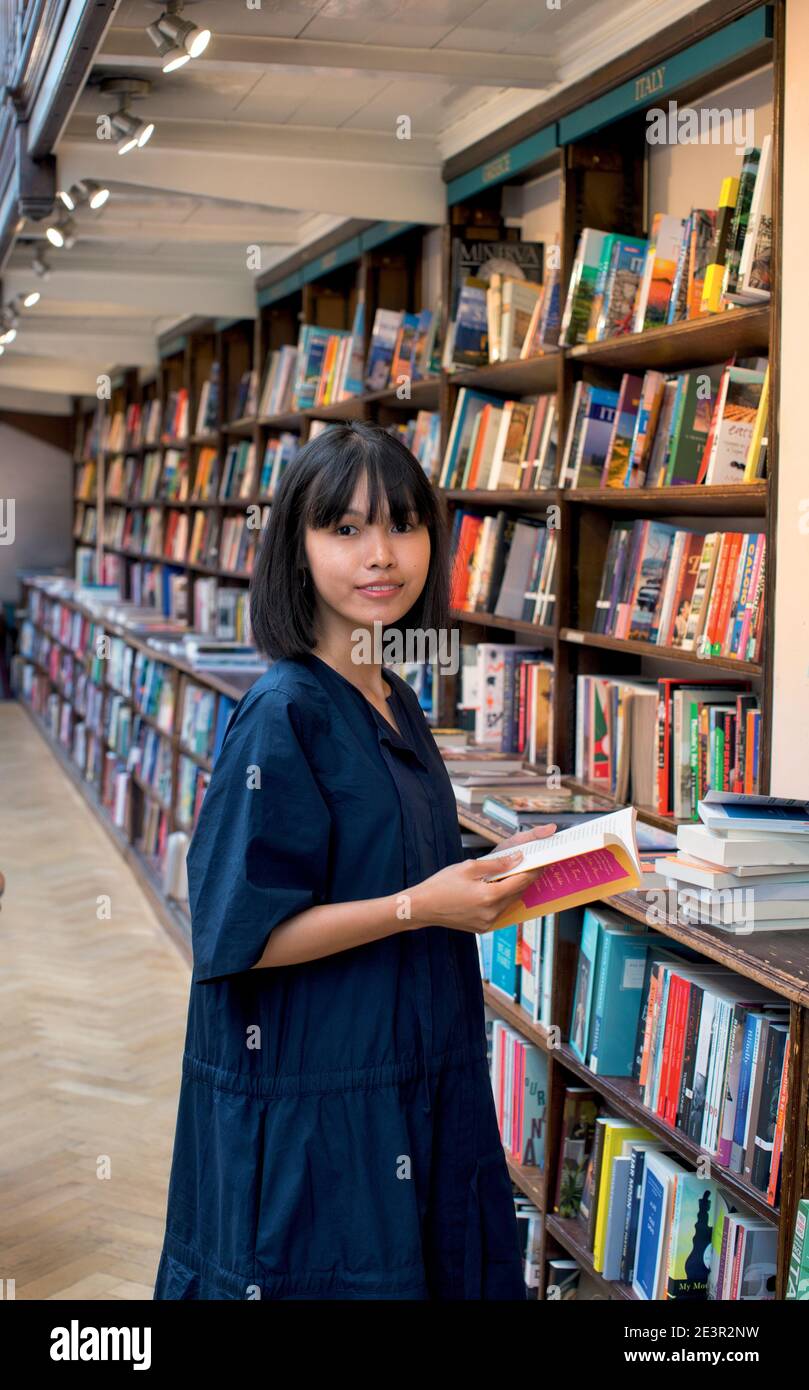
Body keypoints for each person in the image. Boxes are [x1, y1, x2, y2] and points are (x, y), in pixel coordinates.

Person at [153, 421, 556, 1300]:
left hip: (412, 1065)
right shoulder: (283, 712)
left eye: (403, 525)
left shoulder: (392, 692)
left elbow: (390, 860)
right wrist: (421, 906)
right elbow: (235, 934)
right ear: (296, 550)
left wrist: (504, 863)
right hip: (318, 1087)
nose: (382, 555)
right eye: (345, 529)